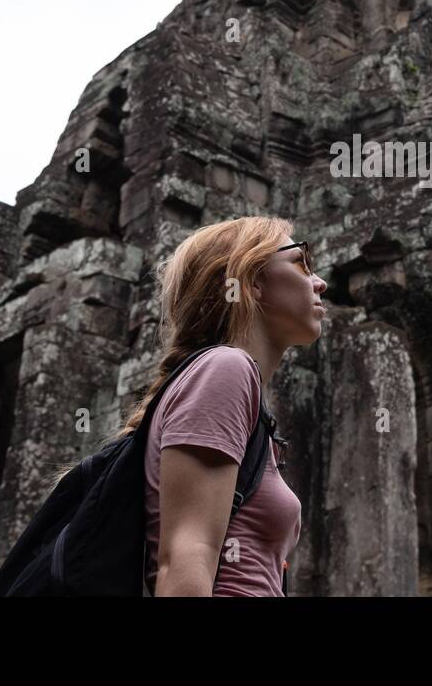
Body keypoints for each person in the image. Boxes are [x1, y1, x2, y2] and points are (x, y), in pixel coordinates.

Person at [111, 216, 326, 596]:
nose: (318, 281)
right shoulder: (225, 368)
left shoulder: (241, 392)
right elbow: (185, 554)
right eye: (301, 262)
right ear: (252, 282)